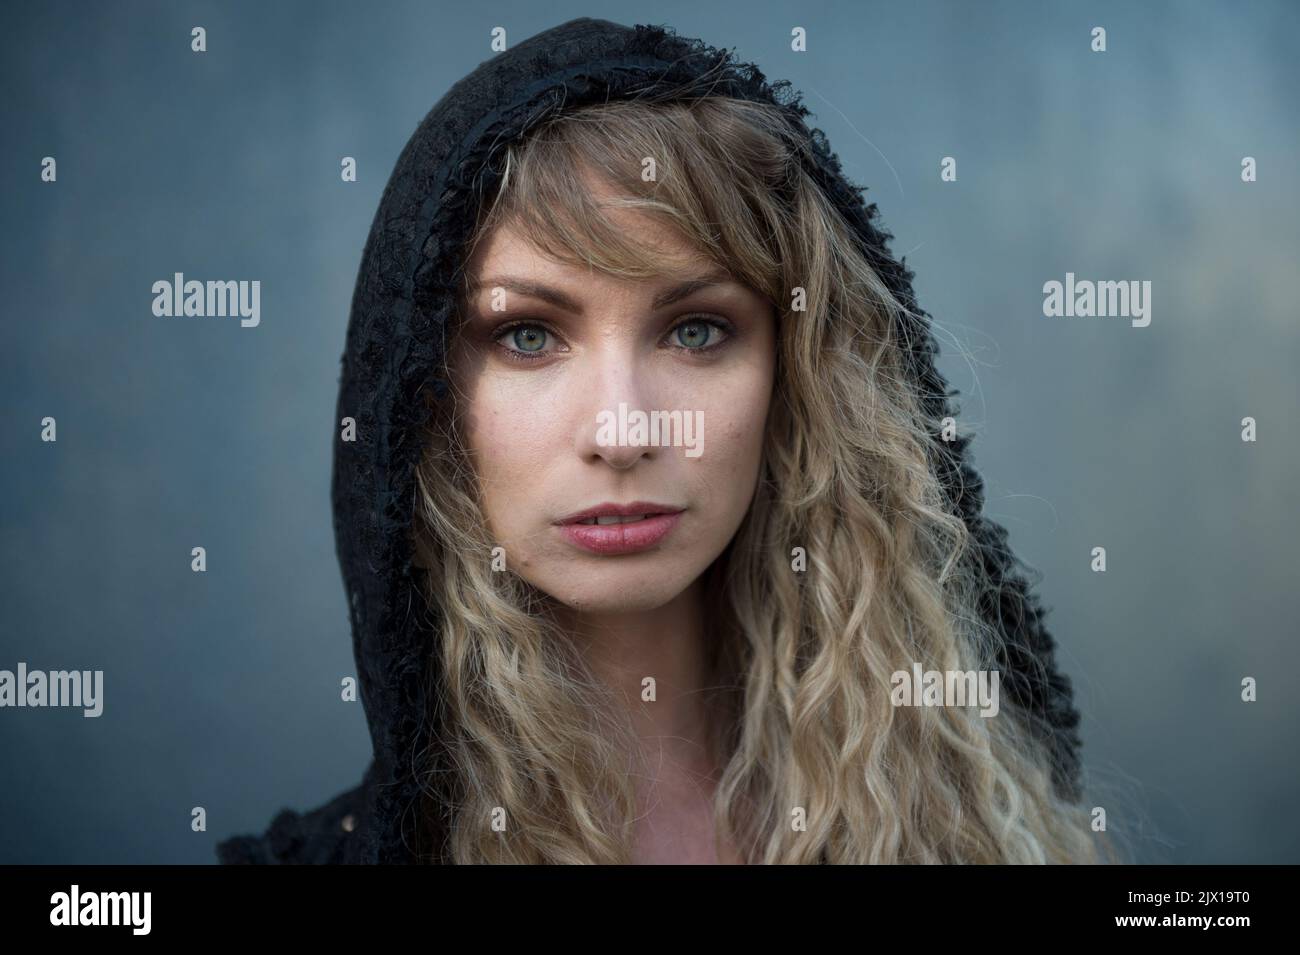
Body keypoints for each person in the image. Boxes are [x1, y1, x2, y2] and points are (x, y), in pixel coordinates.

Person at [217, 16, 1110, 865]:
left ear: (796, 375)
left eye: (695, 330)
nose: (624, 431)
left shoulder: (972, 829)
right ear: (422, 390)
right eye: (527, 334)